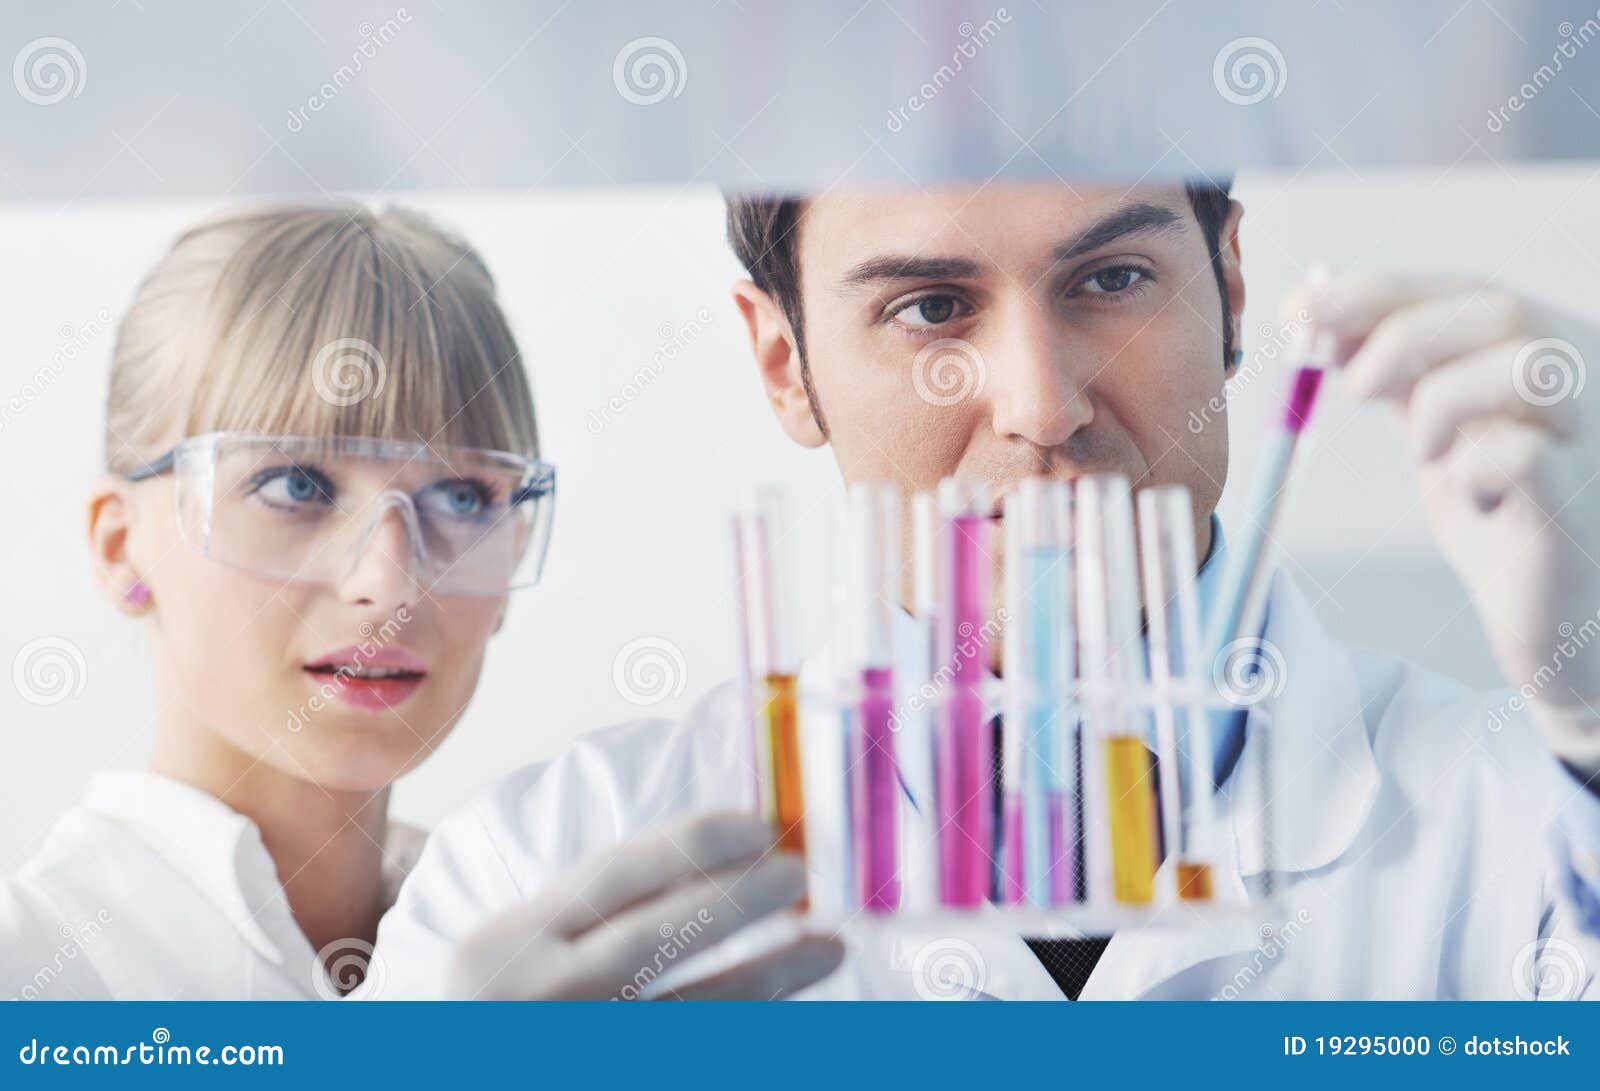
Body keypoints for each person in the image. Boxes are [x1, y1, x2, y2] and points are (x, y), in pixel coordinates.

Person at [374, 179, 1600, 999]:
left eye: (1112, 279)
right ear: (781, 362)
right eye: (929, 307)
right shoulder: (543, 864)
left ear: (1229, 285)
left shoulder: (1532, 817)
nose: (1041, 404)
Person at [0, 202, 839, 1002]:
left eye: (464, 499)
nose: (391, 581)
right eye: (296, 484)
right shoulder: (29, 966)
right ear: (120, 547)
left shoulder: (522, 915)